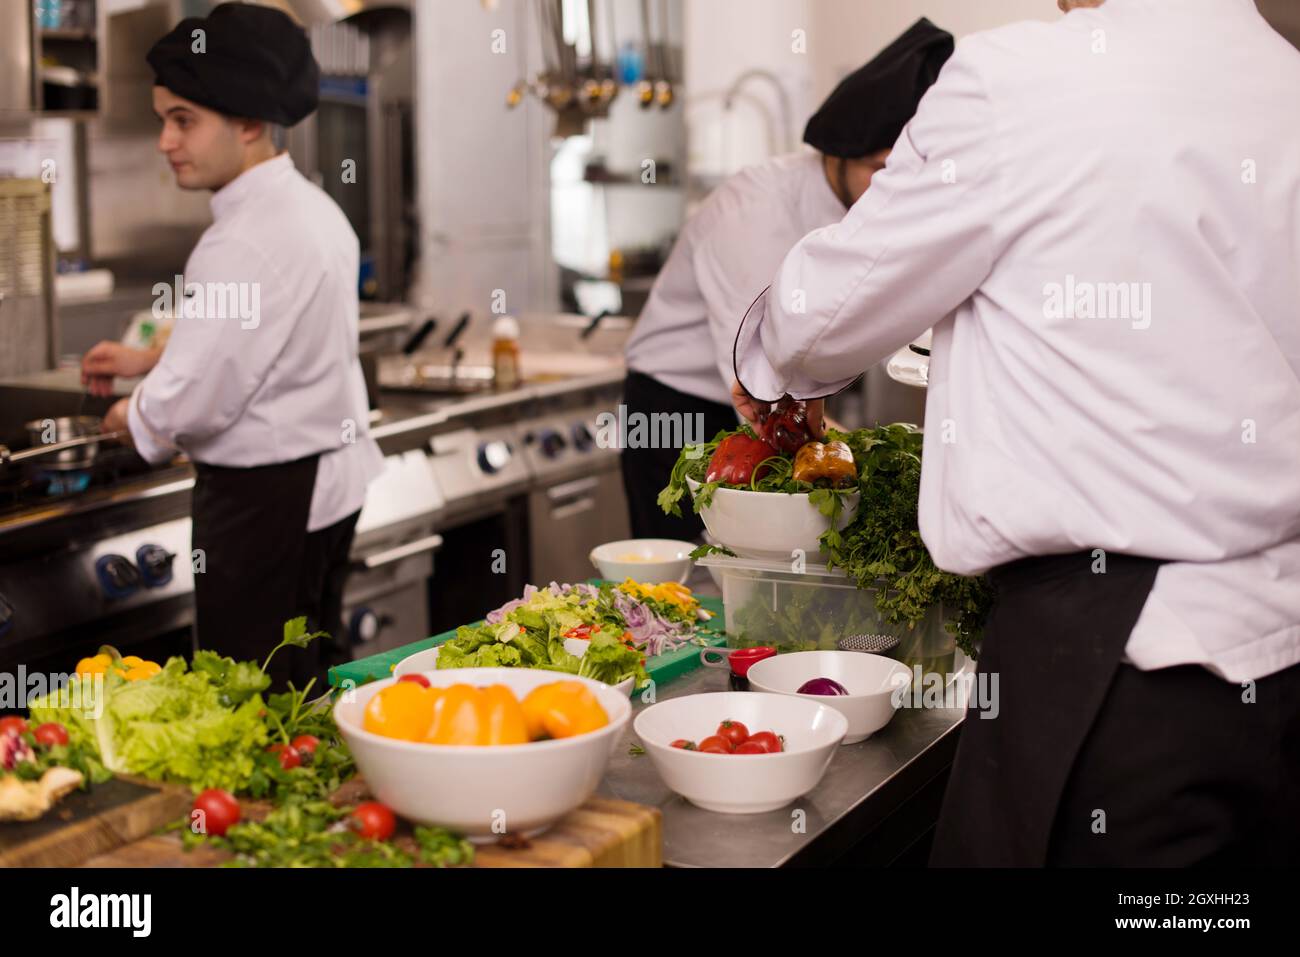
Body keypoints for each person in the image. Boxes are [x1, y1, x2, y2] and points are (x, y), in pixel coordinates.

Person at [731, 0, 1300, 866]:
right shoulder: (1282, 77)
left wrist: (768, 362)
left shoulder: (1023, 80)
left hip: (1114, 665)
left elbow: (830, 308)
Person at [83, 2, 383, 689]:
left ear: (249, 123)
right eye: (164, 118)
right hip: (322, 485)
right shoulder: (310, 209)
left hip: (264, 499)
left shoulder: (240, 240)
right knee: (303, 687)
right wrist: (153, 361)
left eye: (183, 120)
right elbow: (263, 342)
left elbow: (197, 399)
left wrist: (133, 415)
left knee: (254, 698)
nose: (165, 141)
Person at [620, 19, 954, 541]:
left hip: (771, 405)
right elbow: (760, 371)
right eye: (882, 169)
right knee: (688, 585)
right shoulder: (752, 210)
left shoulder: (876, 210)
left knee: (772, 576)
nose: (895, 188)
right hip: (680, 411)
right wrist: (874, 464)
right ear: (839, 153)